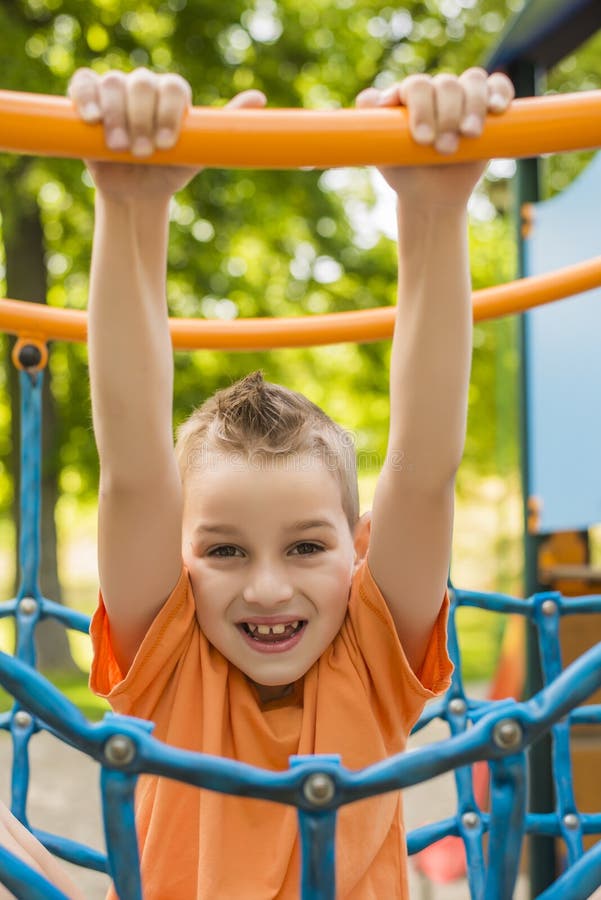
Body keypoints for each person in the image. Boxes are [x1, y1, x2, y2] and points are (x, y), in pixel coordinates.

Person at [0, 64, 514, 899]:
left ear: (360, 551)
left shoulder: (371, 656)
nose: (267, 587)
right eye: (224, 550)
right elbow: (134, 469)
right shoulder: (168, 654)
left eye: (306, 546)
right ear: (177, 560)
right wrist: (130, 206)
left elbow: (424, 471)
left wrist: (433, 208)